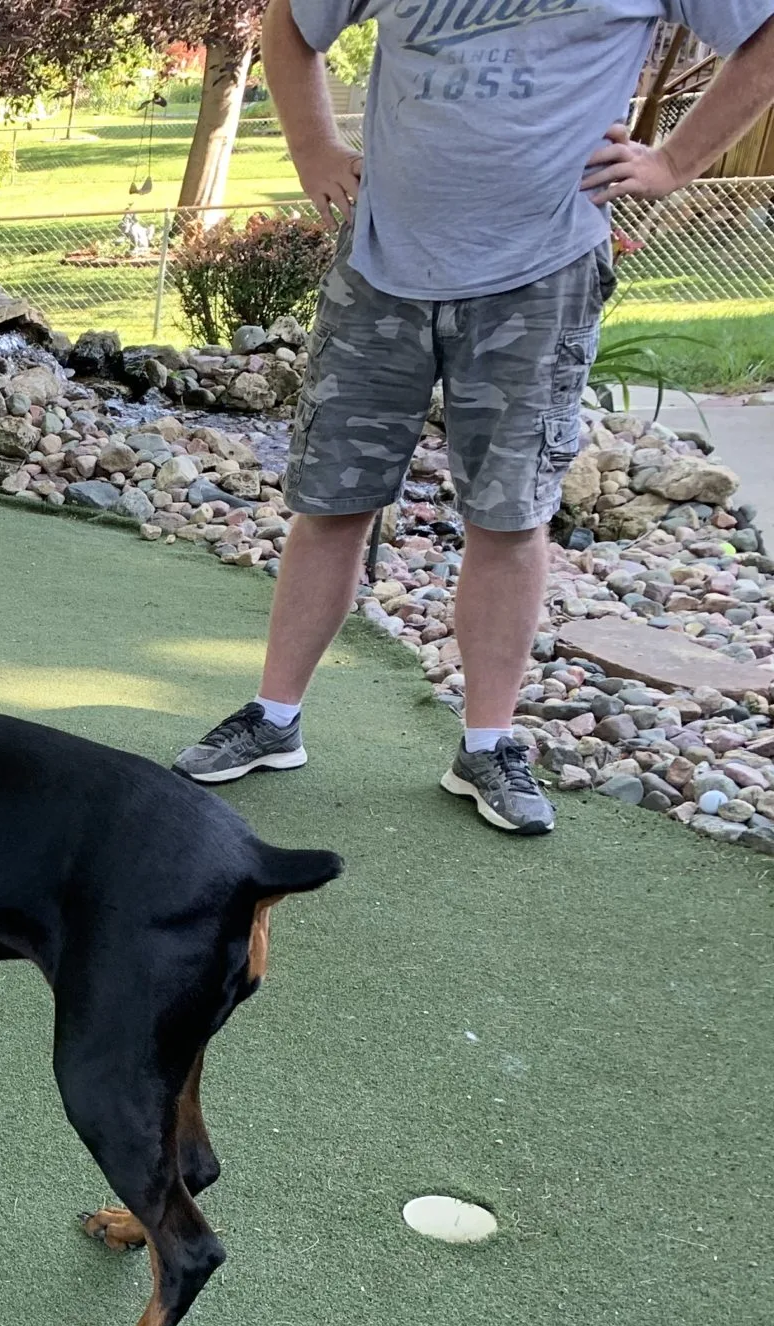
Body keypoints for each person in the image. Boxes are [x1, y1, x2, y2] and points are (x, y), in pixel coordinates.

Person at [174, 0, 774, 833]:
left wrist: (674, 161)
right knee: (331, 503)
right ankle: (273, 719)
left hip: (542, 273)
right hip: (382, 265)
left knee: (509, 515)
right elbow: (291, 22)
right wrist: (313, 147)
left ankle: (487, 746)